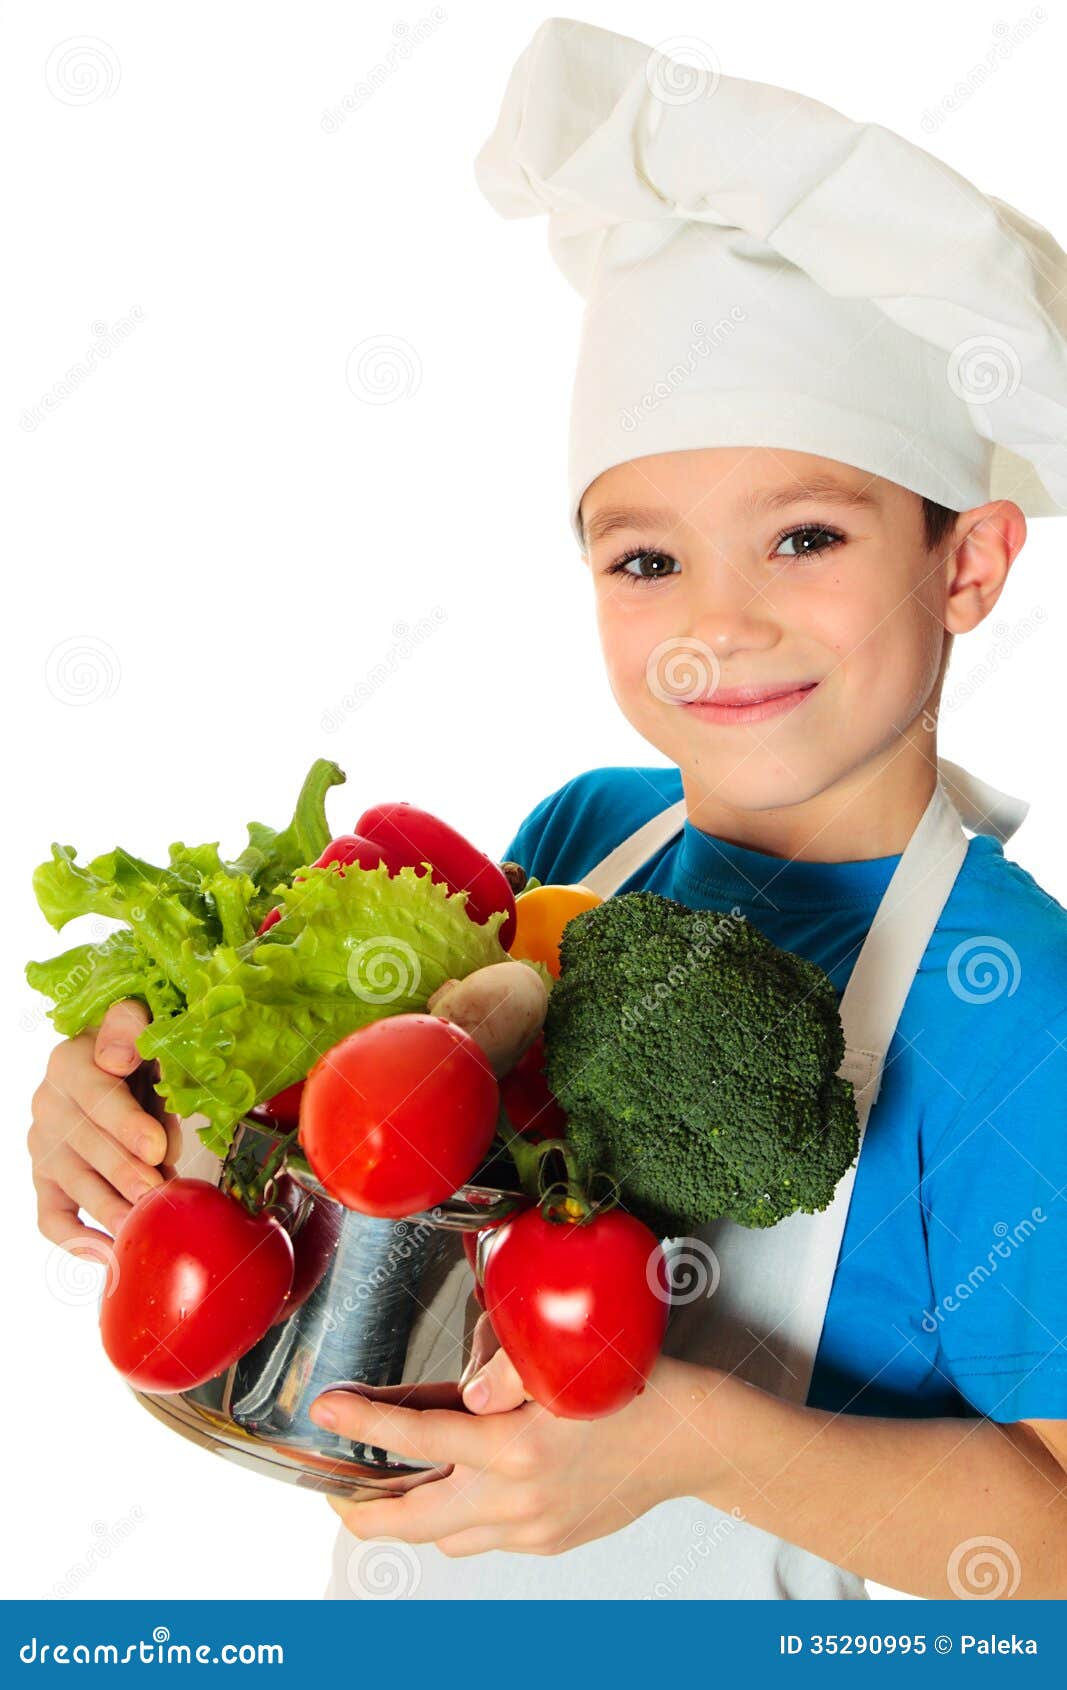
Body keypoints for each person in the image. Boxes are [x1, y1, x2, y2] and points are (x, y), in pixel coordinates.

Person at [27, 19, 1067, 1601]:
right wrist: (127, 1107)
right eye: (648, 559)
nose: (720, 620)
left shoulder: (1022, 1020)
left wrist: (697, 1440)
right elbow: (378, 1174)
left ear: (968, 565)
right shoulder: (581, 839)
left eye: (803, 536)